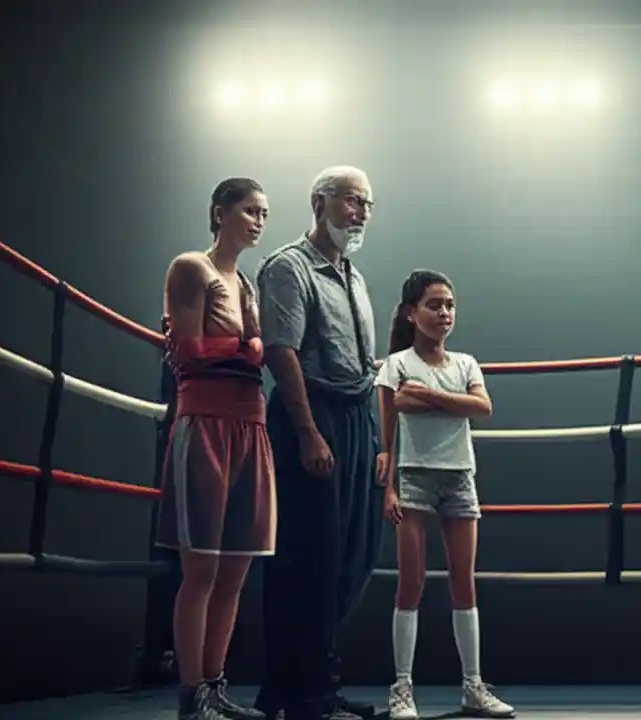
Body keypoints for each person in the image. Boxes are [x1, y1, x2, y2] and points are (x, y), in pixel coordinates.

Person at [253, 166, 383, 720]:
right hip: (314, 415)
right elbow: (282, 353)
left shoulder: (352, 275)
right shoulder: (287, 266)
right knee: (309, 556)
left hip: (355, 418)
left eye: (368, 205)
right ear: (318, 202)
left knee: (353, 553)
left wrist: (376, 437)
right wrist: (307, 431)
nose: (361, 213)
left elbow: (364, 364)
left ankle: (307, 688)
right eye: (352, 201)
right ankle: (305, 691)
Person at [155, 177, 275, 720]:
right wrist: (247, 346)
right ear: (219, 212)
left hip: (251, 427)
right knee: (200, 571)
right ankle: (190, 694)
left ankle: (215, 685)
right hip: (203, 421)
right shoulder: (191, 267)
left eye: (265, 213)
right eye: (249, 210)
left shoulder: (246, 285)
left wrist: (249, 350)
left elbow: (250, 355)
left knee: (235, 573)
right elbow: (188, 348)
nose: (258, 220)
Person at [373, 270, 515, 720]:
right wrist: (389, 488)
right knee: (410, 583)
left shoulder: (466, 363)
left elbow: (484, 408)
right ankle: (401, 689)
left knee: (463, 582)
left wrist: (427, 395)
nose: (444, 313)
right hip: (413, 473)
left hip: (459, 476)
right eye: (434, 304)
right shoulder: (396, 365)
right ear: (412, 313)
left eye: (450, 304)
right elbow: (392, 422)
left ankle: (474, 685)